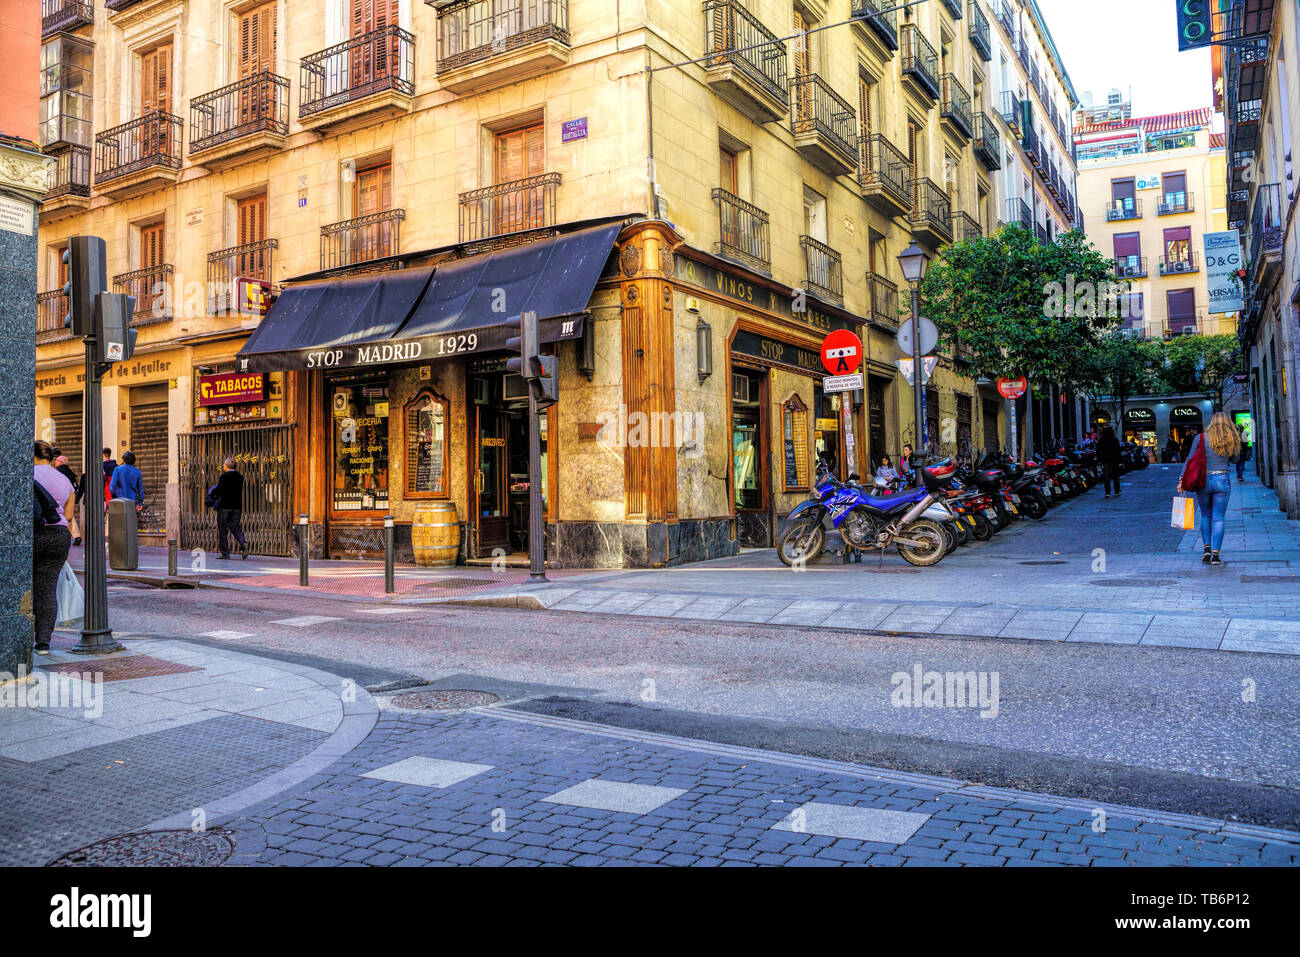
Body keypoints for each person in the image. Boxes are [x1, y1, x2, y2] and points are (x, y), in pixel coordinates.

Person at [1179, 412, 1241, 567]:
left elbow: (1189, 459)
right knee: (1219, 517)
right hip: (1222, 479)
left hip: (1204, 480)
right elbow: (1235, 460)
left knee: (1205, 515)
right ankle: (1216, 555)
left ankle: (1206, 549)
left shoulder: (1200, 438)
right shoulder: (1231, 438)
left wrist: (1181, 478)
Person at [33, 440, 74, 656]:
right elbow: (68, 516)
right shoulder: (64, 479)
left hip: (34, 533)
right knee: (47, 589)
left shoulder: (25, 473)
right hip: (59, 536)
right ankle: (43, 643)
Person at [213, 457, 249, 560]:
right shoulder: (240, 477)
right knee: (235, 527)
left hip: (224, 507)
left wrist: (214, 495)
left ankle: (225, 553)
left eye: (224, 465)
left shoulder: (224, 477)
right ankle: (243, 542)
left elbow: (219, 490)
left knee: (223, 530)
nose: (223, 466)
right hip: (237, 507)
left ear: (227, 466)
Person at [52, 450, 81, 544]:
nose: (55, 462)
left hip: (60, 496)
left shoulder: (57, 472)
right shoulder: (70, 472)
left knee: (63, 515)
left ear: (60, 462)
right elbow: (75, 485)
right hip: (70, 495)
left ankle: (67, 536)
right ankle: (76, 536)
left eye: (56, 461)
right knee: (69, 515)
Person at [1096, 425, 1121, 497]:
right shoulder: (1114, 439)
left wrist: (1099, 459)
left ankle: (1107, 492)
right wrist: (1119, 461)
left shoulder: (1102, 440)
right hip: (1114, 460)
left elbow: (1098, 450)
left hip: (1105, 460)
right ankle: (1117, 491)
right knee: (1115, 476)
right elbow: (1118, 451)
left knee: (1106, 477)